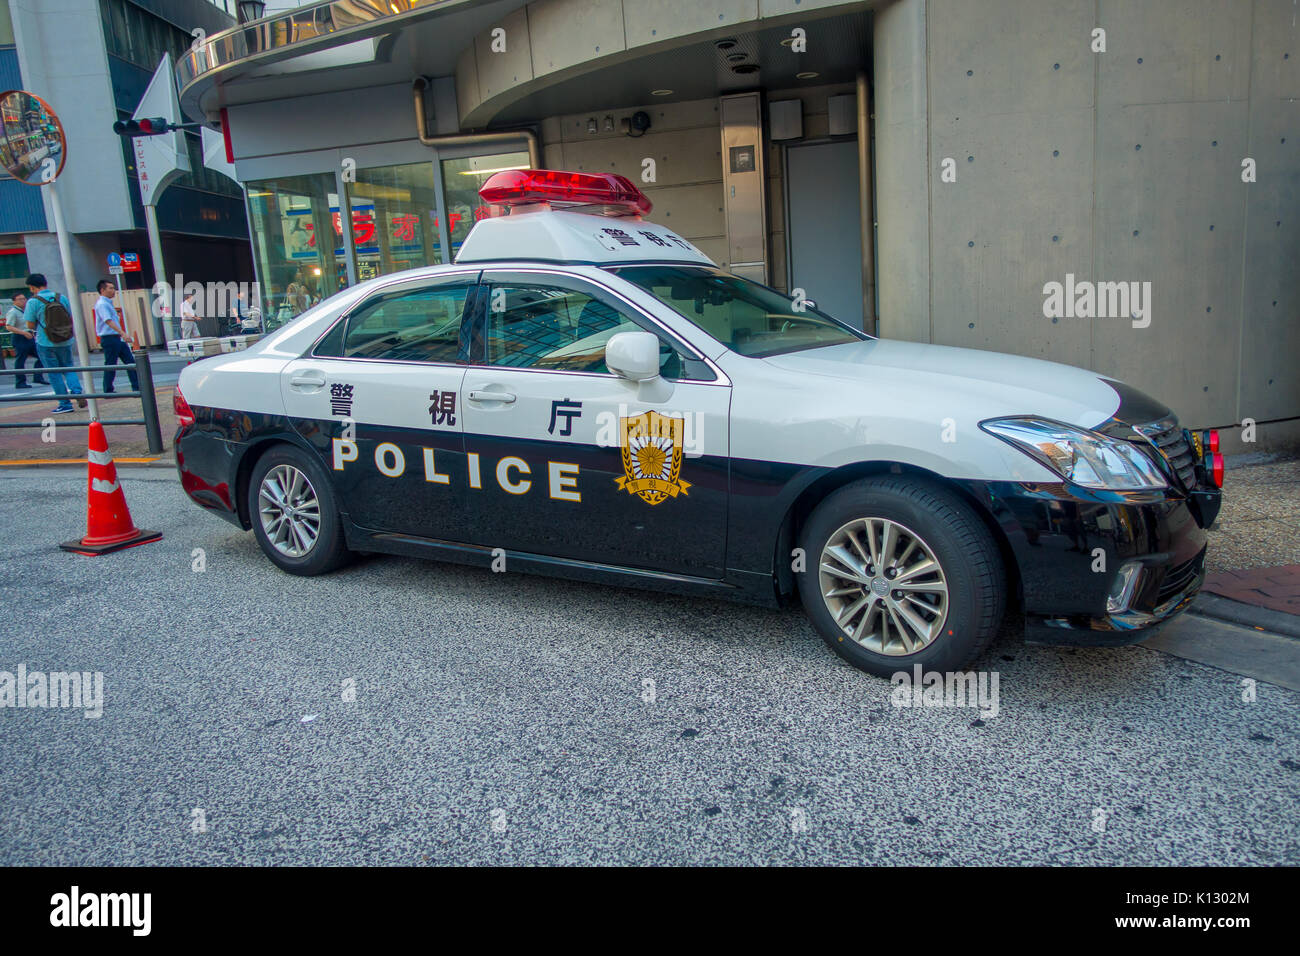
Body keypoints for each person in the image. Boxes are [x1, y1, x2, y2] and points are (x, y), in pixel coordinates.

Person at [24, 274, 86, 413]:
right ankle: (77, 392)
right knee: (69, 367)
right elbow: (70, 316)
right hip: (65, 339)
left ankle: (65, 404)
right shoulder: (61, 297)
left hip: (45, 341)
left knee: (54, 373)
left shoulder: (33, 301)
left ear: (32, 287)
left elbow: (30, 324)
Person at [94, 279, 138, 395]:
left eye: (113, 288)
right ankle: (108, 390)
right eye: (111, 288)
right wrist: (123, 333)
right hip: (109, 338)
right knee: (111, 364)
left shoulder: (107, 303)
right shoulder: (102, 304)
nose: (114, 290)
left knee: (130, 362)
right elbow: (108, 321)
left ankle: (137, 386)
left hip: (115, 337)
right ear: (102, 290)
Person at [5, 292, 46, 388]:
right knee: (20, 360)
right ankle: (20, 382)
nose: (23, 301)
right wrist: (24, 333)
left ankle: (38, 377)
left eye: (24, 298)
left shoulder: (26, 310)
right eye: (20, 299)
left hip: (30, 336)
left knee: (41, 356)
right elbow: (9, 327)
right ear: (14, 301)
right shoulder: (13, 312)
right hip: (19, 337)